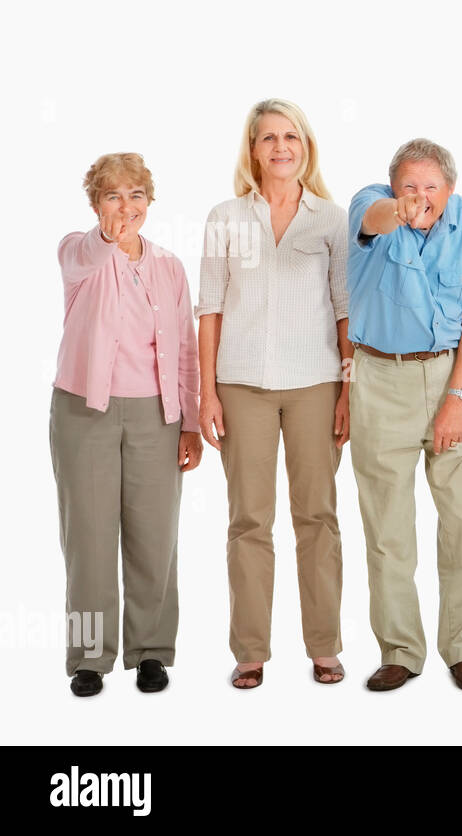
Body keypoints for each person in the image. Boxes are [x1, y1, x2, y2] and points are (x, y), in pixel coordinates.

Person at [197, 99, 351, 689]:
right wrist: (206, 393)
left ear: (306, 146)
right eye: (269, 138)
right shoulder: (224, 217)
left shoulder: (331, 220)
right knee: (248, 520)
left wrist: (347, 391)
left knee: (318, 517)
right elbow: (208, 310)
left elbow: (345, 312)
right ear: (253, 150)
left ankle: (325, 645)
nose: (281, 147)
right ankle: (251, 650)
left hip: (316, 383)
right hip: (241, 385)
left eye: (292, 136)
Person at [347, 139, 462, 692]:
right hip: (381, 377)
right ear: (392, 188)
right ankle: (400, 650)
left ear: (450, 189)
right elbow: (374, 219)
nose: (420, 197)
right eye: (409, 186)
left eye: (431, 186)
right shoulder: (371, 206)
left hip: (454, 375)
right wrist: (398, 209)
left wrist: (457, 399)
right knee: (387, 526)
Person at [52, 153, 202, 697]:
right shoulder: (80, 253)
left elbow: (185, 348)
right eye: (113, 196)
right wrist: (104, 235)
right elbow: (90, 249)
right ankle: (89, 658)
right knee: (88, 539)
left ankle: (151, 652)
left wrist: (187, 421)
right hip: (83, 413)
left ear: (150, 201)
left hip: (155, 417)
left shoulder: (169, 267)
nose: (126, 207)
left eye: (136, 194)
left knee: (155, 538)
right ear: (96, 204)